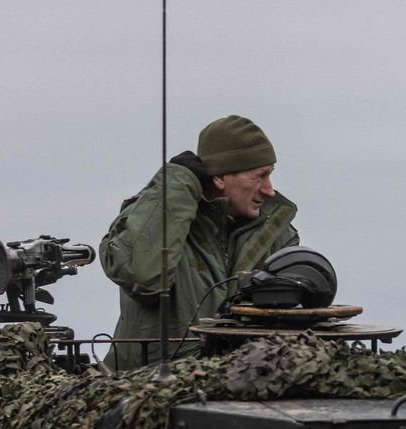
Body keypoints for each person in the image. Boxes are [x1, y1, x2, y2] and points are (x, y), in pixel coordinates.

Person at [100, 115, 299, 370]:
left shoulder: (276, 233)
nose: (269, 190)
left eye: (270, 175)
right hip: (147, 384)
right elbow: (146, 278)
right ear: (219, 178)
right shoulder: (156, 219)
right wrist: (176, 184)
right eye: (258, 176)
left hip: (244, 383)